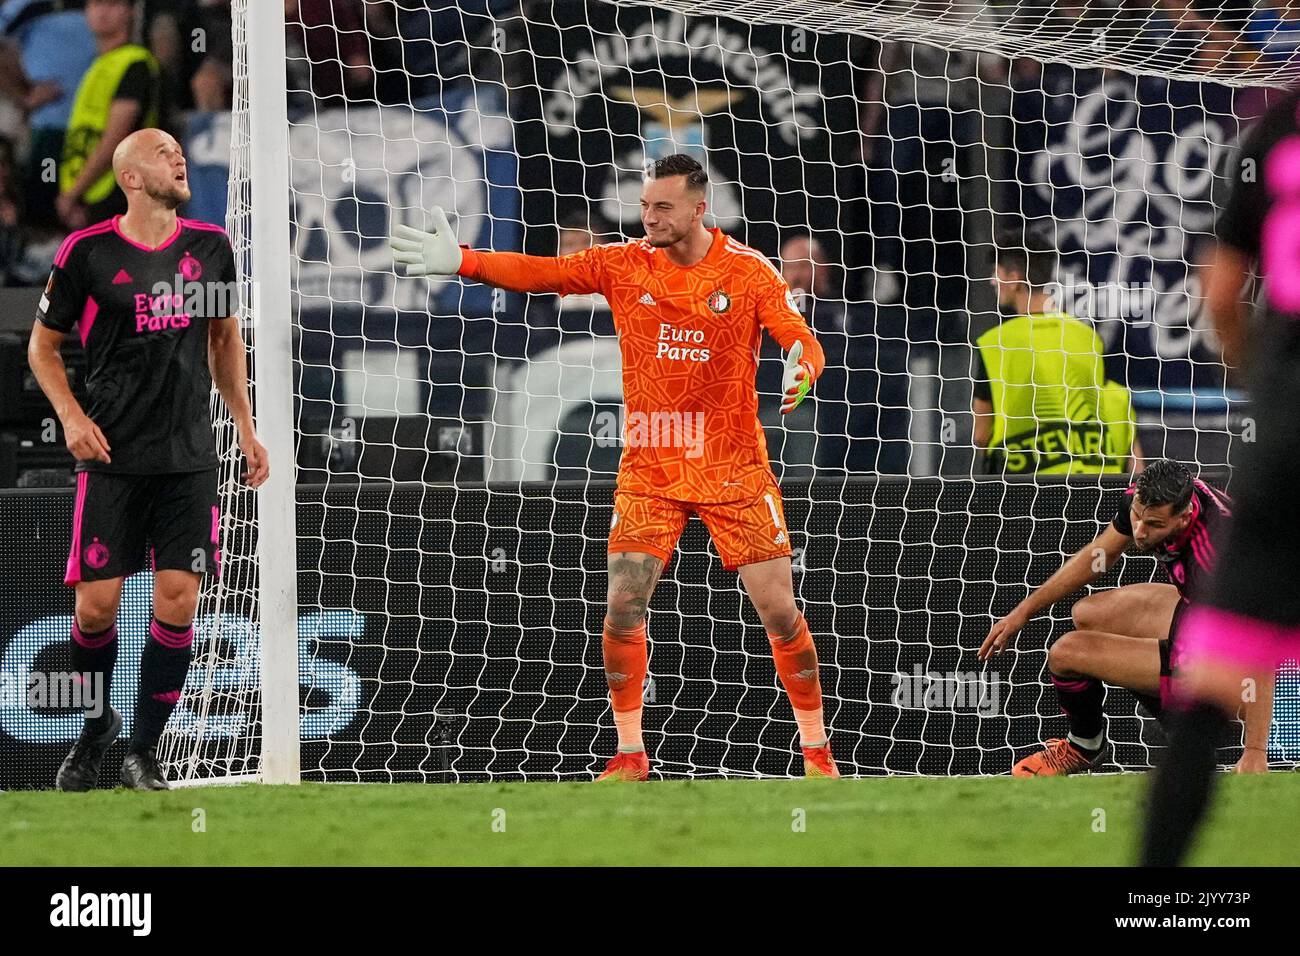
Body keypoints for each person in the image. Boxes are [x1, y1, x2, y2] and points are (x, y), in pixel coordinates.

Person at [390, 154, 840, 780]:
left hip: (731, 465)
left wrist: (803, 364)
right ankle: (631, 754)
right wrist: (465, 261)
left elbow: (797, 334)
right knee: (623, 605)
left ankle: (817, 752)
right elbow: (542, 273)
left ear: (698, 208)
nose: (649, 217)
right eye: (645, 205)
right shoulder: (624, 264)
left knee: (780, 614)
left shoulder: (747, 271)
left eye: (663, 207)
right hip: (650, 467)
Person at [28, 127, 268, 791]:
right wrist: (71, 417)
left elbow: (223, 339)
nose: (178, 159)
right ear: (131, 176)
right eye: (163, 152)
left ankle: (144, 749)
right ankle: (92, 728)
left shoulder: (210, 249)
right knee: (96, 610)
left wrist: (245, 426)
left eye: (178, 151)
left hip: (189, 458)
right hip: (111, 456)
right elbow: (42, 349)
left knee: (179, 601)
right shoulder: (89, 253)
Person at [1141, 85, 1300, 866]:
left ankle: (1157, 897)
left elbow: (1217, 288)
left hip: (1290, 429)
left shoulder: (1276, 126)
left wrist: (1265, 386)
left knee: (1212, 679)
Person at [979, 459, 1272, 776]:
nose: (1140, 532)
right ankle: (1178, 726)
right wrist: (1022, 612)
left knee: (1066, 653)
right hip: (1198, 613)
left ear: (1184, 516)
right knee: (1088, 613)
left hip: (1228, 654)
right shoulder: (1149, 498)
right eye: (1137, 517)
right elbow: (1098, 557)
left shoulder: (1216, 555)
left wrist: (1255, 751)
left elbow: (1260, 647)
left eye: (1155, 525)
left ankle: (1085, 747)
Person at [973, 240, 1143, 475]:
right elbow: (1112, 406)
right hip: (1089, 481)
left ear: (1014, 279)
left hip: (1018, 486)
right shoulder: (1088, 338)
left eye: (997, 274)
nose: (993, 281)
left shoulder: (995, 343)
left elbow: (981, 435)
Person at [58, 0, 161, 230]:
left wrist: (73, 194)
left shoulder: (134, 63)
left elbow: (116, 138)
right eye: (95, 4)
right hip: (91, 192)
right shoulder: (98, 65)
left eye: (112, 4)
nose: (102, 11)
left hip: (118, 192)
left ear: (131, 11)